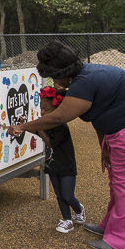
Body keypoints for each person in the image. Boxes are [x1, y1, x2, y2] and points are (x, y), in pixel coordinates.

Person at [8, 40, 125, 249]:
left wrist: (22, 127)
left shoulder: (84, 82)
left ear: (62, 73)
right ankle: (112, 227)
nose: (54, 82)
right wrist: (105, 147)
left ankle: (123, 241)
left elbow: (58, 117)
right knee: (119, 180)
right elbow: (100, 114)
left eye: (53, 76)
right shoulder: (87, 75)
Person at [36, 87, 85, 234]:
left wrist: (39, 129)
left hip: (66, 165)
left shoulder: (61, 126)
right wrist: (25, 125)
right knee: (59, 193)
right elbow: (36, 130)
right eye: (41, 108)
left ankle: (78, 209)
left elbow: (51, 143)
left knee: (67, 195)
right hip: (52, 165)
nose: (42, 112)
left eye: (46, 109)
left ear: (57, 110)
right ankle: (67, 220)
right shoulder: (45, 123)